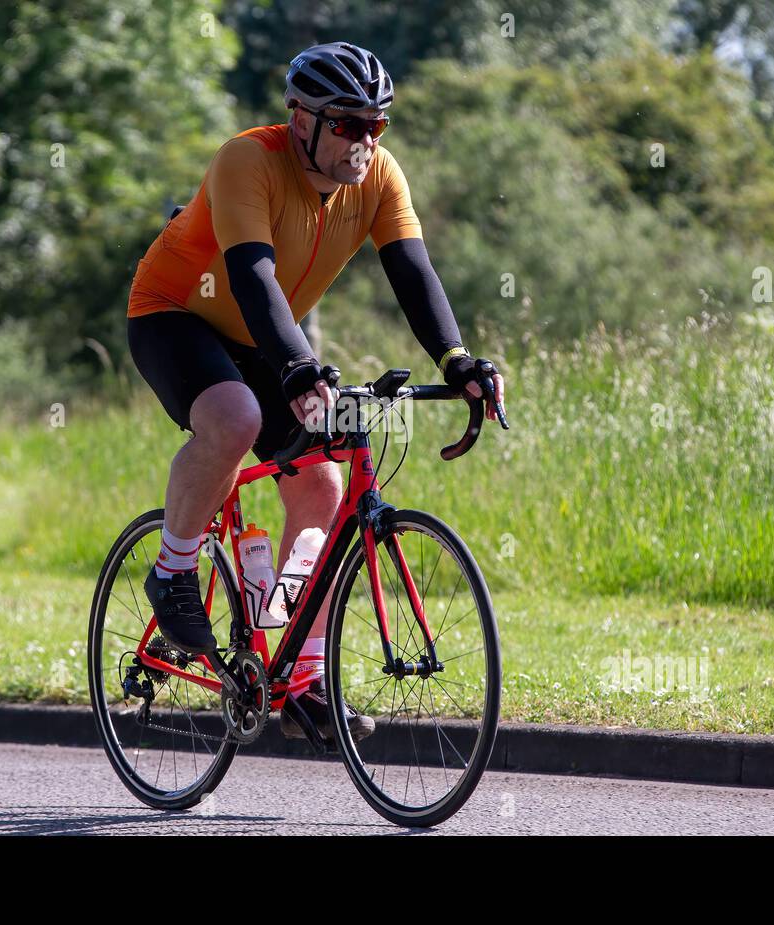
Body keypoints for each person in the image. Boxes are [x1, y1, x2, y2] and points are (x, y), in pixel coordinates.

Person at [127, 41, 505, 741]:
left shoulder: (381, 178)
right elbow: (252, 275)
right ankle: (174, 570)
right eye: (347, 124)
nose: (364, 142)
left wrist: (458, 361)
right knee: (235, 415)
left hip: (264, 335)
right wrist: (299, 367)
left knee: (324, 490)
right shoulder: (248, 159)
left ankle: (298, 673)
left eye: (376, 125)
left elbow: (415, 275)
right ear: (300, 118)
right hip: (176, 313)